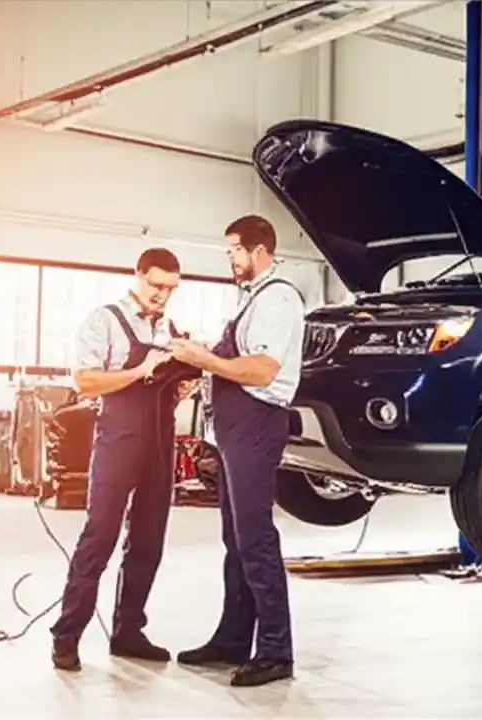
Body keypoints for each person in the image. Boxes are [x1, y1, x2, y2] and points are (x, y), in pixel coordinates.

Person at [167, 214, 305, 687]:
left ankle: (275, 651)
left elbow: (264, 370)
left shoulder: (279, 297)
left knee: (256, 539)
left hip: (257, 426)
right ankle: (232, 639)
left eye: (234, 250)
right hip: (232, 430)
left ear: (258, 250)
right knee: (235, 541)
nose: (230, 258)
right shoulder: (249, 300)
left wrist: (202, 358)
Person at [50, 247, 194, 672]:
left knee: (149, 540)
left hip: (160, 440)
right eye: (155, 286)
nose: (162, 296)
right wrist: (140, 372)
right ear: (137, 276)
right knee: (100, 536)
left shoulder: (170, 327)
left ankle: (128, 631)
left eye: (170, 289)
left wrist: (179, 383)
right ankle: (67, 635)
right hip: (118, 439)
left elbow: (165, 377)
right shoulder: (104, 321)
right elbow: (86, 381)